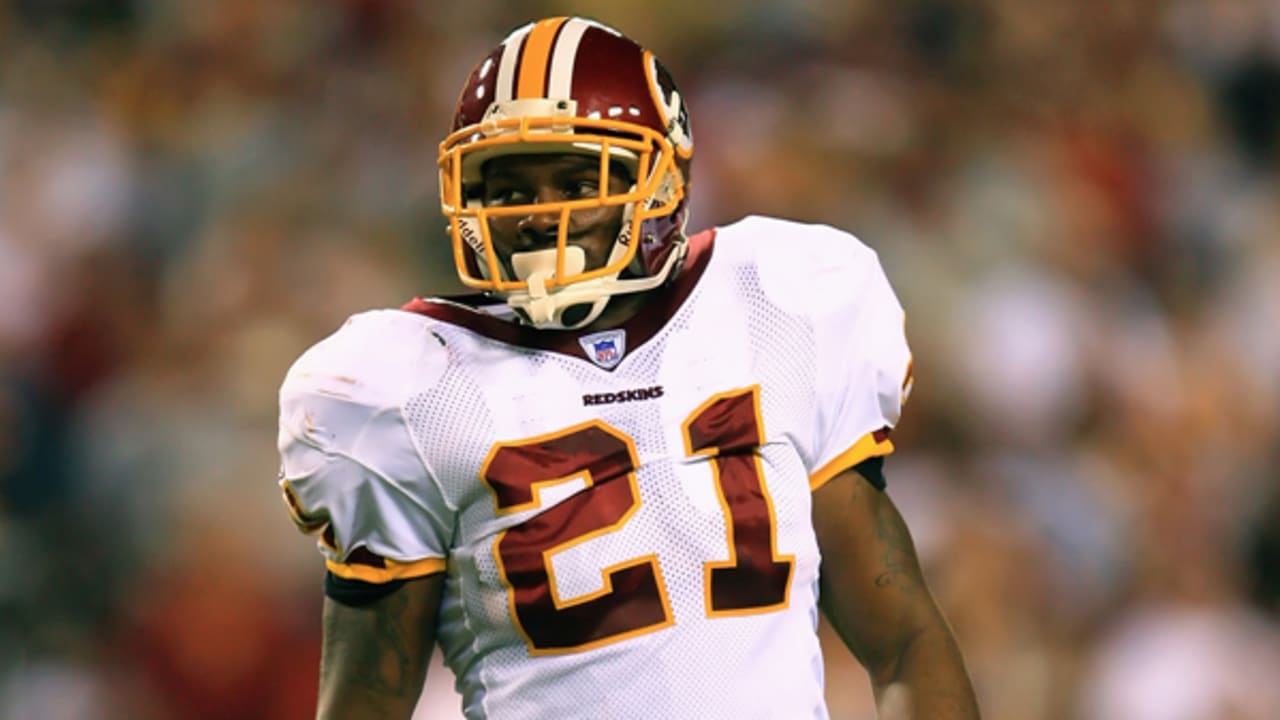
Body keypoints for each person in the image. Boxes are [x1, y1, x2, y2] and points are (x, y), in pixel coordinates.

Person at [276, 15, 980, 720]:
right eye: (511, 186)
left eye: (580, 177)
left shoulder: (778, 303)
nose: (540, 214)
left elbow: (905, 641)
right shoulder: (407, 388)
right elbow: (364, 706)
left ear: (664, 181)